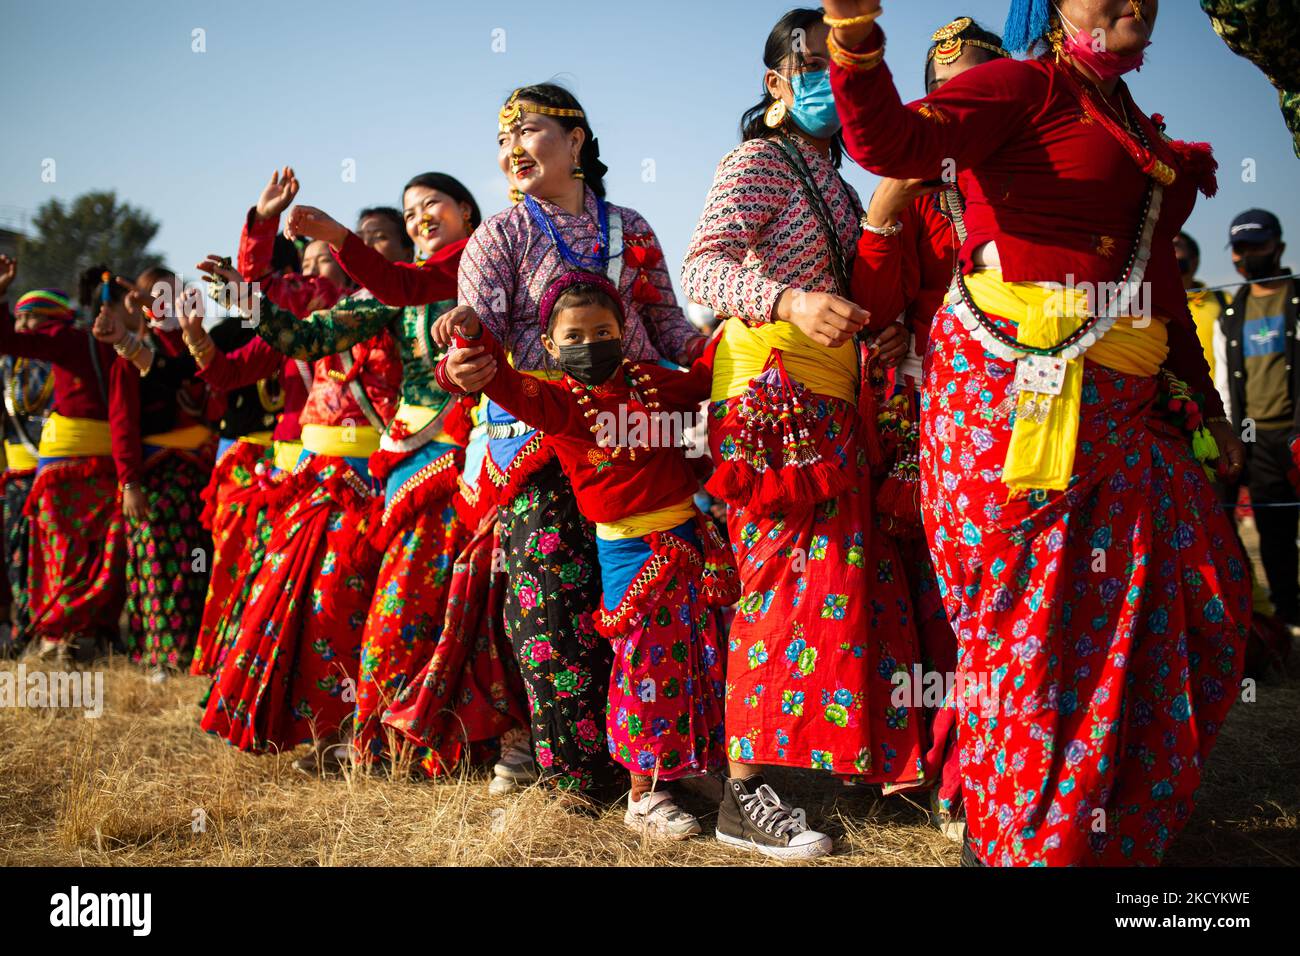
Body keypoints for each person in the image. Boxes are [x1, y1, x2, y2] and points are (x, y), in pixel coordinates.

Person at [825, 0, 1251, 865]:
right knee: (1033, 627)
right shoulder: (1022, 84)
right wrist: (855, 32)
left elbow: (1155, 271)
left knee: (1201, 597)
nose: (1134, 2)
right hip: (1016, 399)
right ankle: (1028, 835)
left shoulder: (1126, 115)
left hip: (1129, 404)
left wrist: (1204, 402)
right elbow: (892, 146)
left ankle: (1114, 815)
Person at [681, 7, 923, 860]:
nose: (829, 80)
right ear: (778, 85)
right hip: (771, 405)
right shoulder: (756, 159)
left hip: (830, 402)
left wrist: (876, 331)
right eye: (811, 66)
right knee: (775, 594)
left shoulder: (840, 181)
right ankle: (741, 798)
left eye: (840, 67)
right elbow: (701, 264)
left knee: (833, 591)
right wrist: (790, 300)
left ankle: (837, 765)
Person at [442, 82, 707, 802]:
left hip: (639, 439)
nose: (510, 152)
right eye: (501, 142)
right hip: (541, 435)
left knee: (655, 606)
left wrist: (729, 343)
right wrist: (461, 351)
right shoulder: (499, 235)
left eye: (525, 133)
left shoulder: (632, 226)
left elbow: (668, 327)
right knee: (555, 612)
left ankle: (660, 772)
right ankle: (576, 784)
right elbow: (477, 340)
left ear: (577, 139)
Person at [229, 170, 528, 777]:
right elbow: (306, 337)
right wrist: (243, 294)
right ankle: (393, 745)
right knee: (398, 608)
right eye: (409, 208)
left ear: (469, 211)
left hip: (480, 459)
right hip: (405, 471)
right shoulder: (398, 289)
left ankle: (470, 746)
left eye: (433, 203)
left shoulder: (493, 266)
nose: (419, 216)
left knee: (466, 606)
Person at [446, 271, 733, 837]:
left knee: (701, 656)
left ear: (623, 333)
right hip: (628, 554)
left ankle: (689, 767)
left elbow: (704, 378)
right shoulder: (557, 403)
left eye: (602, 332)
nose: (589, 345)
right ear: (550, 347)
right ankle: (642, 797)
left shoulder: (653, 381)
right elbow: (503, 381)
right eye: (573, 338)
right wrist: (473, 330)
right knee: (644, 666)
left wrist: (748, 321)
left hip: (691, 541)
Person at [849, 14, 1010, 842]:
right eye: (950, 91)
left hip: (1039, 409)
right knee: (947, 601)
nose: (967, 102)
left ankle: (1023, 767)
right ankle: (954, 772)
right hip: (942, 410)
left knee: (1020, 596)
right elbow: (876, 314)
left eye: (986, 83)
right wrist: (882, 215)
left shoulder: (1035, 172)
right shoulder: (916, 187)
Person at [0, 261, 134, 664]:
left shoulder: (112, 342)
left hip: (100, 464)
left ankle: (75, 635)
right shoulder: (74, 339)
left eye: (32, 320)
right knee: (84, 554)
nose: (26, 327)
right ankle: (67, 635)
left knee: (80, 554)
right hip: (81, 466)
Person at [1218, 208, 1299, 625]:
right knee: (1275, 533)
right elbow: (1231, 389)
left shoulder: (1296, 298)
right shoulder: (1231, 315)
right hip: (1259, 439)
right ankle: (1288, 614)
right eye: (1240, 247)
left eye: (1257, 245)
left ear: (1279, 246)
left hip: (1296, 432)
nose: (1247, 254)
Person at [0, 293, 59, 656]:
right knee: (17, 555)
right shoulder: (7, 365)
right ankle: (22, 630)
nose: (22, 327)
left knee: (51, 556)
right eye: (18, 320)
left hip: (55, 475)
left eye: (31, 319)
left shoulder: (64, 361)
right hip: (18, 475)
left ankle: (54, 630)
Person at [1175, 232, 1227, 386]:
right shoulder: (1148, 306)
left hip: (1218, 401)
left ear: (1194, 261)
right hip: (1171, 402)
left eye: (1175, 246)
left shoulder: (1224, 301)